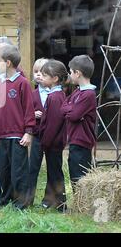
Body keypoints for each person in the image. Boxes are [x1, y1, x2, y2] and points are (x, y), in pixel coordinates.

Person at [0, 44, 35, 209]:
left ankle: (21, 203)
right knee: (5, 170)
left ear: (7, 63)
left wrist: (28, 132)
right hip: (2, 135)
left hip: (18, 136)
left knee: (19, 172)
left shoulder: (22, 83)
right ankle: (6, 200)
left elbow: (29, 110)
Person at [61, 55, 97, 190]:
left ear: (78, 73)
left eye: (71, 72)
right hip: (75, 140)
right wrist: (72, 110)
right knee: (73, 173)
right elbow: (63, 107)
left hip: (83, 141)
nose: (70, 75)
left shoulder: (88, 94)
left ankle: (82, 205)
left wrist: (72, 111)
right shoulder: (77, 92)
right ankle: (78, 204)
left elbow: (74, 116)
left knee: (80, 176)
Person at [39, 60, 68, 212]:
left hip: (53, 143)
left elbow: (53, 124)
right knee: (52, 172)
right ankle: (49, 200)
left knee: (56, 173)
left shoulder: (55, 97)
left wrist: (45, 141)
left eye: (44, 75)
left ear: (55, 78)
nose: (41, 77)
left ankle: (61, 203)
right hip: (53, 143)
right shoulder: (55, 94)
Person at [28, 58, 49, 205]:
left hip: (51, 136)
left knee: (53, 168)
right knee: (32, 167)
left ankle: (50, 199)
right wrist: (32, 114)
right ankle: (28, 199)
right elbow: (24, 111)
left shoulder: (56, 93)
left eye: (42, 72)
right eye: (36, 72)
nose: (38, 75)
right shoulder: (31, 93)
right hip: (36, 135)